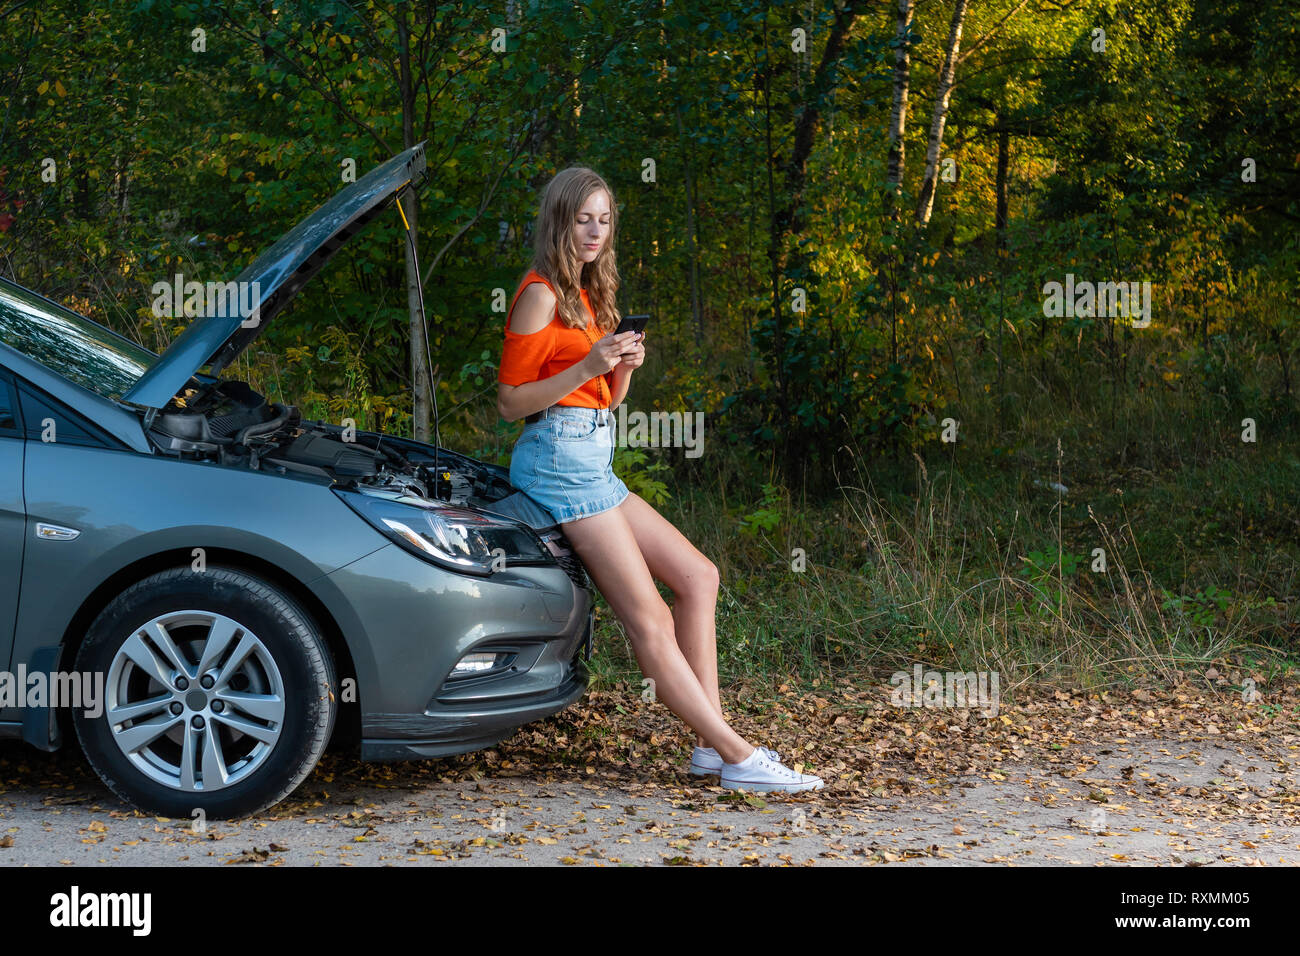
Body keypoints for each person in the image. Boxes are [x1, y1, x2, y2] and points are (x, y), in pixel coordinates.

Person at [496, 166, 823, 793]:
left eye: (605, 219)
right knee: (649, 619)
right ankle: (737, 756)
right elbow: (511, 403)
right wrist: (591, 361)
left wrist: (622, 369)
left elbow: (603, 402)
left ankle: (710, 746)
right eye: (583, 218)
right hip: (558, 463)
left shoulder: (591, 292)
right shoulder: (539, 292)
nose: (595, 231)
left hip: (593, 457)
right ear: (559, 221)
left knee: (699, 577)